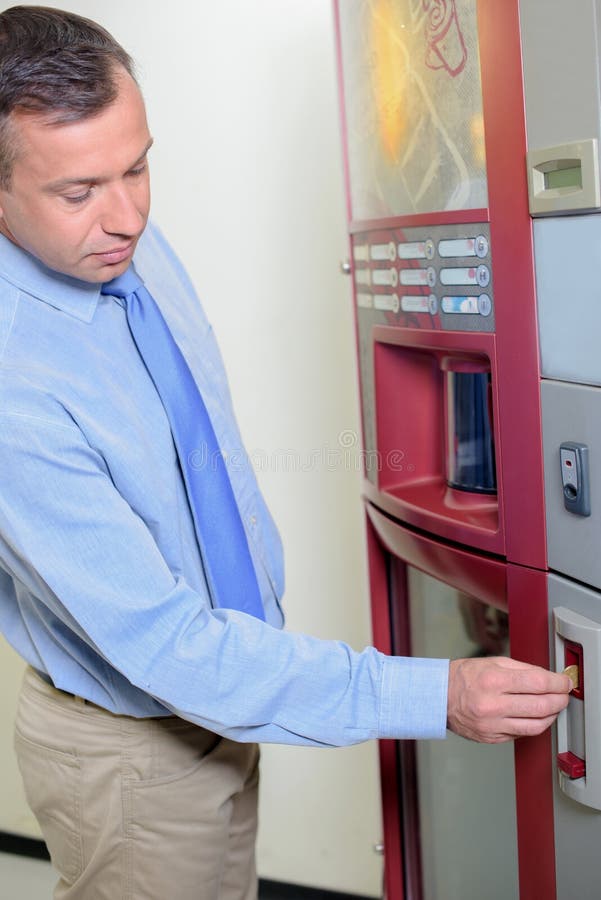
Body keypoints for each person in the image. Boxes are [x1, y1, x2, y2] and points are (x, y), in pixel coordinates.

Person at [0, 6, 570, 900]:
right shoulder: (14, 384)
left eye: (138, 167)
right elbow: (169, 647)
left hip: (231, 698)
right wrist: (436, 694)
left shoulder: (115, 246)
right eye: (78, 192)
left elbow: (200, 460)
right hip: (131, 753)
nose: (127, 215)